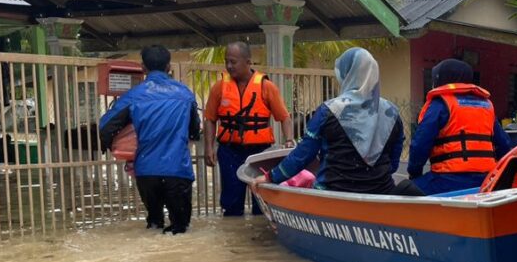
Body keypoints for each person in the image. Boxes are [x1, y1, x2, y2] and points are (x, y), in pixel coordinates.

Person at [254, 47, 420, 195]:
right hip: (380, 193)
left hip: (332, 194)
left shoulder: (328, 111)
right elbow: (393, 163)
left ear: (346, 75)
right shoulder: (392, 112)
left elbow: (303, 155)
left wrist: (270, 177)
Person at [99, 45, 201, 234]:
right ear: (168, 67)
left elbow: (106, 127)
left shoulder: (134, 96)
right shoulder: (185, 94)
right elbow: (195, 130)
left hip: (146, 171)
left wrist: (110, 146)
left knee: (154, 225)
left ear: (143, 67)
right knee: (181, 230)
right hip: (177, 170)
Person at [202, 42, 294, 216]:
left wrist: (289, 140)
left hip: (260, 152)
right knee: (231, 202)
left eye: (233, 62)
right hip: (229, 150)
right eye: (226, 61)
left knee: (261, 201)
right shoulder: (219, 87)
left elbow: (284, 117)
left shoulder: (266, 87)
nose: (229, 66)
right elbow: (210, 119)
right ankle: (233, 229)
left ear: (248, 62)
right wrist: (208, 147)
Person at [407, 59, 512, 194]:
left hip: (447, 180)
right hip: (485, 180)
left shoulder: (440, 104)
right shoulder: (487, 106)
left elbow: (420, 145)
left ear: (440, 80)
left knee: (403, 191)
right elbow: (504, 145)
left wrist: (414, 172)